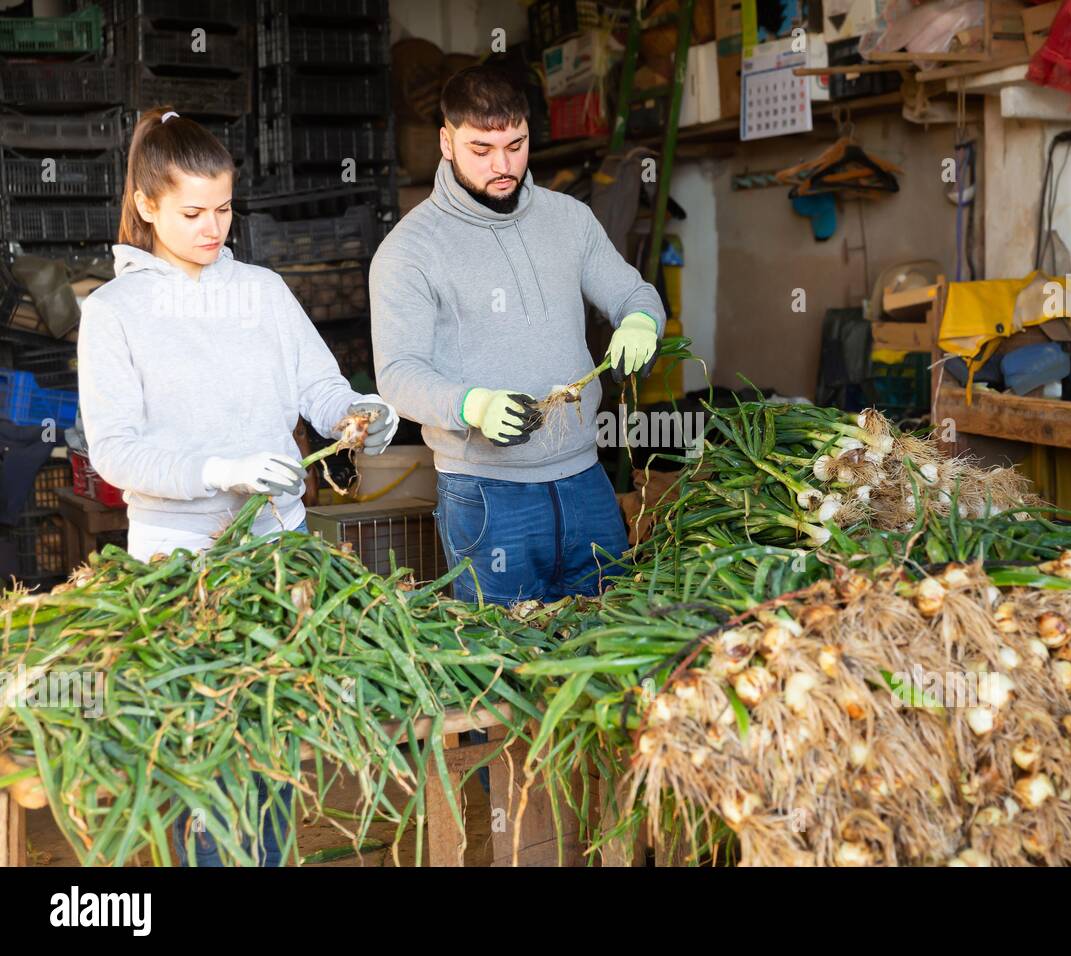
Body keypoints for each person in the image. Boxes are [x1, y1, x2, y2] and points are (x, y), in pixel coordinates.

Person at [76, 106, 398, 865]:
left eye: (223, 209)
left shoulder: (262, 290)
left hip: (279, 564)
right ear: (148, 204)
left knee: (271, 758)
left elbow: (319, 387)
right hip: (179, 572)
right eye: (192, 212)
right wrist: (216, 471)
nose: (213, 227)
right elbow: (116, 453)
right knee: (204, 763)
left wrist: (358, 413)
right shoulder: (115, 313)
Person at [370, 66, 664, 608]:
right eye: (480, 149)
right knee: (507, 656)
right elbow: (397, 373)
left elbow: (632, 292)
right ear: (446, 141)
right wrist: (470, 404)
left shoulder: (569, 219)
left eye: (515, 145)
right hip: (485, 492)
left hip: (585, 480)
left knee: (614, 632)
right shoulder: (410, 249)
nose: (502, 166)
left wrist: (642, 320)